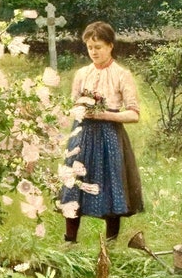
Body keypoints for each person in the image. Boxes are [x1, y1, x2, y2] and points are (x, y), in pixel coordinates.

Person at [59, 21, 144, 242]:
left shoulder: (121, 75)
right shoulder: (81, 74)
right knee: (75, 183)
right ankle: (70, 241)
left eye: (98, 47)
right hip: (82, 136)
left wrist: (104, 115)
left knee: (110, 185)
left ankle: (111, 244)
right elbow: (72, 105)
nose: (93, 52)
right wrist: (80, 110)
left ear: (110, 46)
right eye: (90, 47)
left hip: (109, 136)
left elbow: (134, 114)